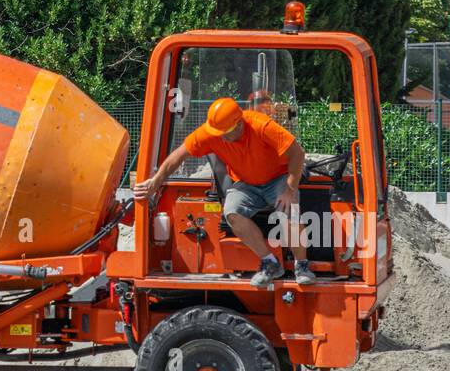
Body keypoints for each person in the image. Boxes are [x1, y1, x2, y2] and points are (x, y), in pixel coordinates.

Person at [134, 95, 316, 286]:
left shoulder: (261, 125)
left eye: (224, 133)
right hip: (245, 184)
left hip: (278, 178)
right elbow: (177, 157)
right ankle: (270, 263)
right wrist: (155, 182)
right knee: (232, 212)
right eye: (217, 132)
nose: (220, 136)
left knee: (289, 210)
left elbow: (297, 153)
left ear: (238, 125)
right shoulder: (211, 132)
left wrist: (289, 189)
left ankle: (302, 265)